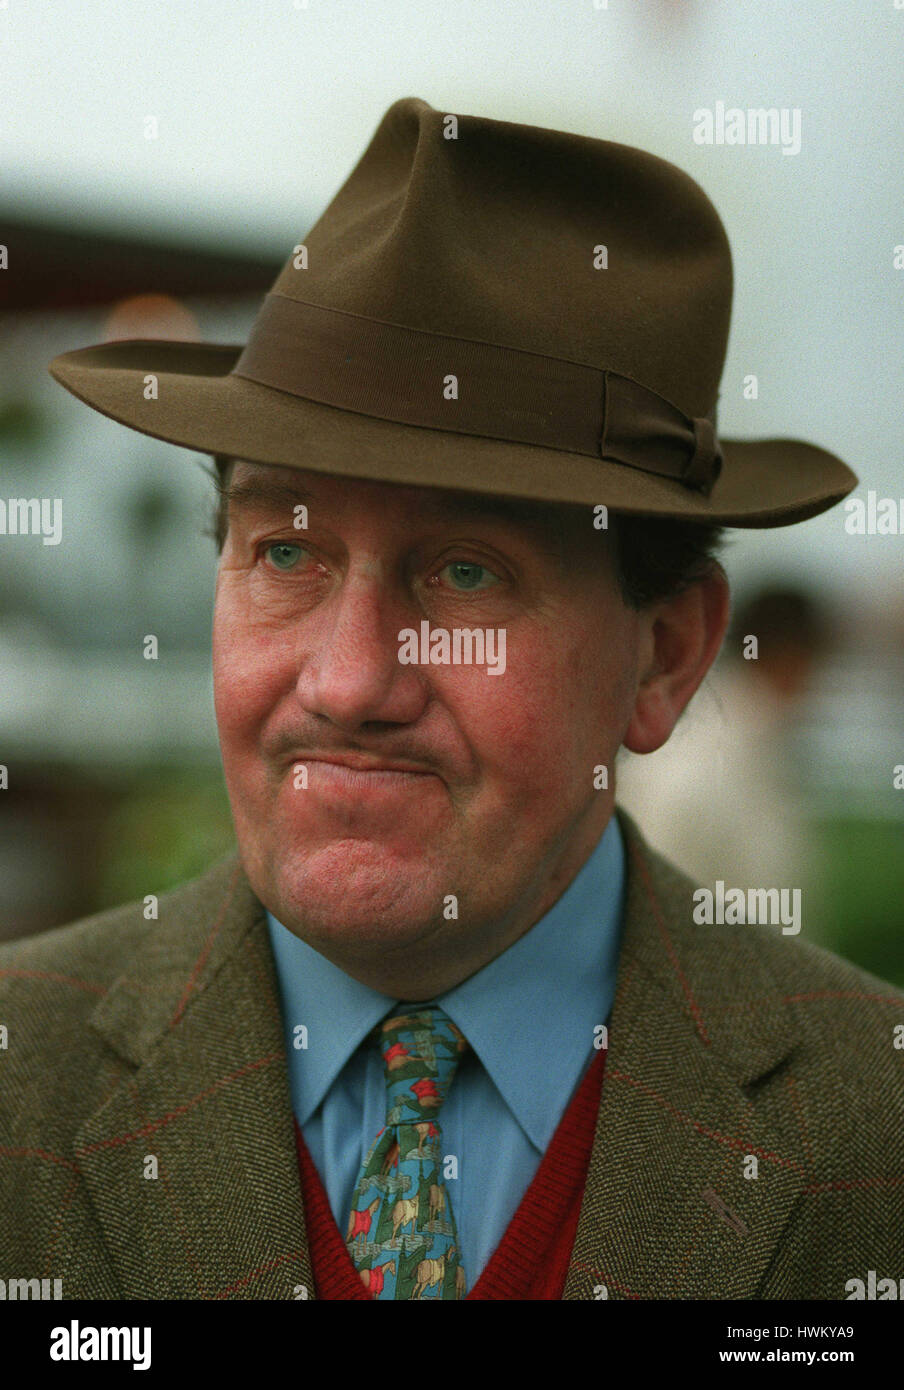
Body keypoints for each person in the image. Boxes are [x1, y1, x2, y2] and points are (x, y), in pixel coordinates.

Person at [2, 97, 901, 1301]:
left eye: (466, 571)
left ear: (666, 657)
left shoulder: (875, 1138)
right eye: (285, 554)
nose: (346, 680)